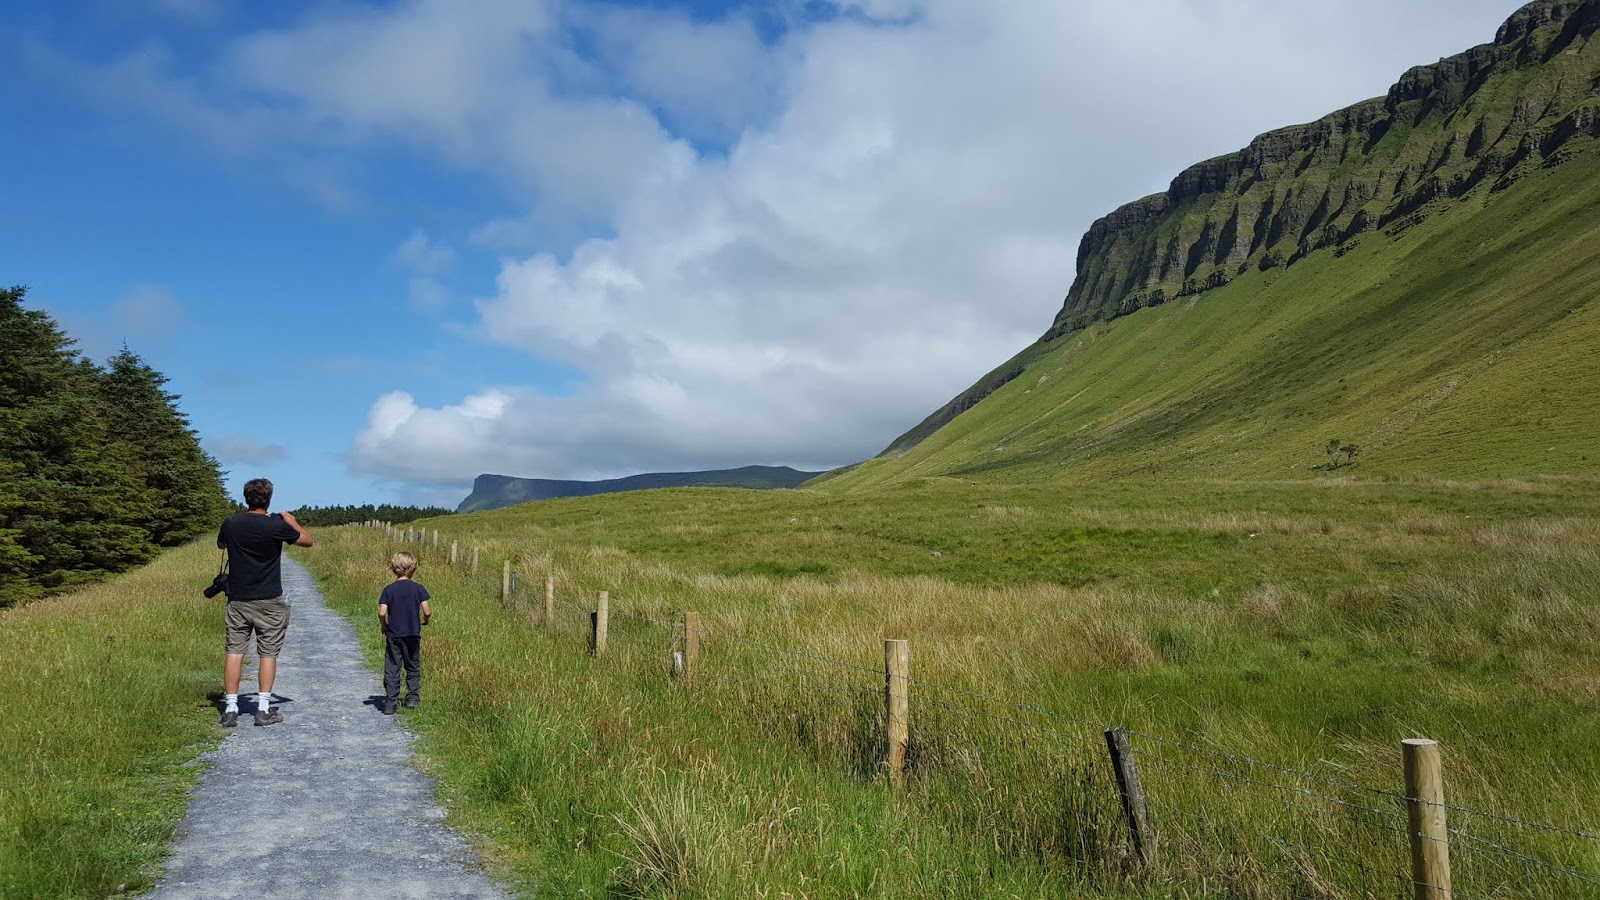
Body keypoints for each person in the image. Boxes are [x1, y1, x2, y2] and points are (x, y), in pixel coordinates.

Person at [216, 478, 313, 727]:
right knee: (267, 654)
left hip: (238, 598)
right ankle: (262, 708)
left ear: (246, 497)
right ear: (269, 498)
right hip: (269, 598)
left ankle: (230, 708)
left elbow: (221, 543)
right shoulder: (276, 525)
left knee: (235, 651)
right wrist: (291, 521)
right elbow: (306, 540)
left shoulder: (231, 522)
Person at [377, 551, 431, 715]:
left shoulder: (389, 589)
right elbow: (427, 610)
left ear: (394, 568)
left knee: (392, 666)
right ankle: (412, 697)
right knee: (412, 665)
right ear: (414, 568)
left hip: (394, 634)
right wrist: (426, 620)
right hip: (413, 633)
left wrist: (384, 625)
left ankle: (391, 702)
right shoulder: (418, 588)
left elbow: (381, 612)